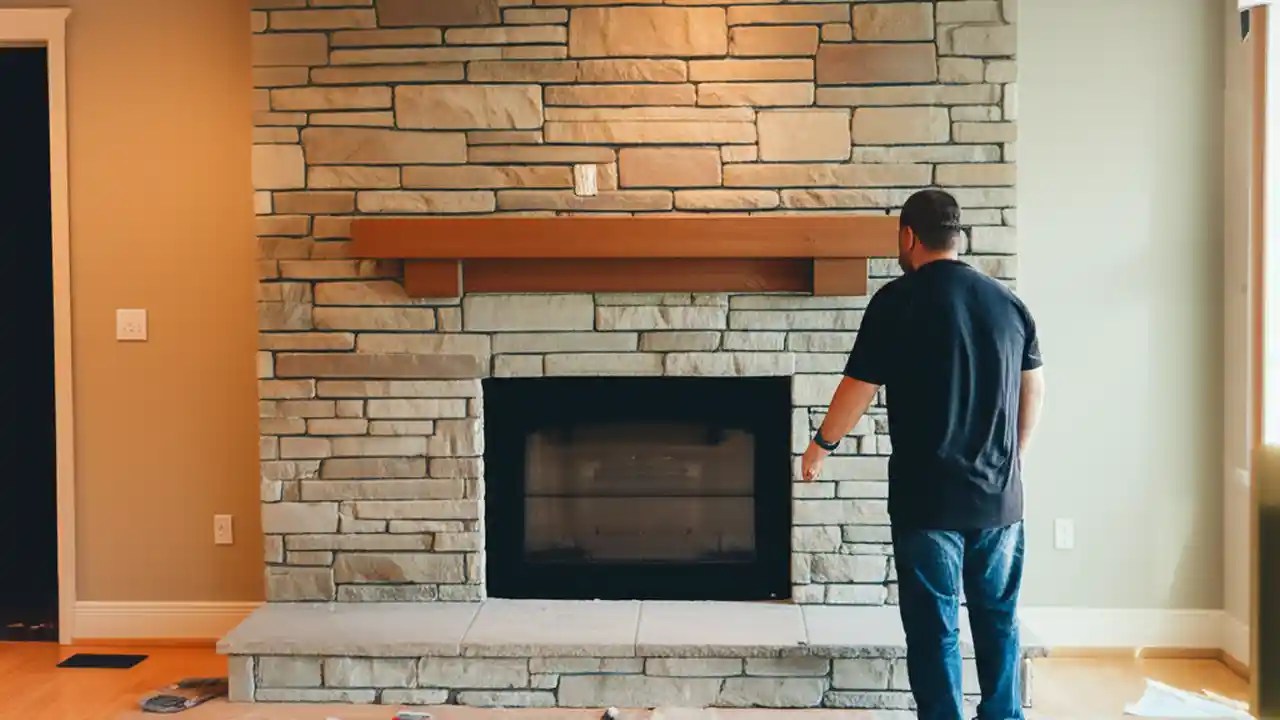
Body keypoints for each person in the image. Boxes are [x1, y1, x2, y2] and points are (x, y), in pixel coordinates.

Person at [800, 189, 1046, 720]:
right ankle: (1003, 715)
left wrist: (822, 445)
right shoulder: (1008, 303)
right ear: (956, 237)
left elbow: (858, 387)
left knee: (934, 628)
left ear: (909, 236)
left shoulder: (896, 301)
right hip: (999, 499)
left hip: (927, 500)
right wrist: (1015, 457)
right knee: (998, 620)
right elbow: (1034, 386)